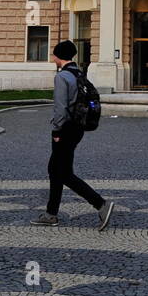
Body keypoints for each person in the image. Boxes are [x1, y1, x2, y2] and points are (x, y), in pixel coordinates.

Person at [34, 40, 113, 228]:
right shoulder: (79, 73)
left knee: (63, 173)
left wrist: (56, 131)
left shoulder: (62, 77)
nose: (52, 58)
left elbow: (61, 108)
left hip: (65, 129)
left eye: (54, 55)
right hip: (78, 127)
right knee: (56, 169)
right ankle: (51, 213)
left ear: (59, 56)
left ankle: (101, 204)